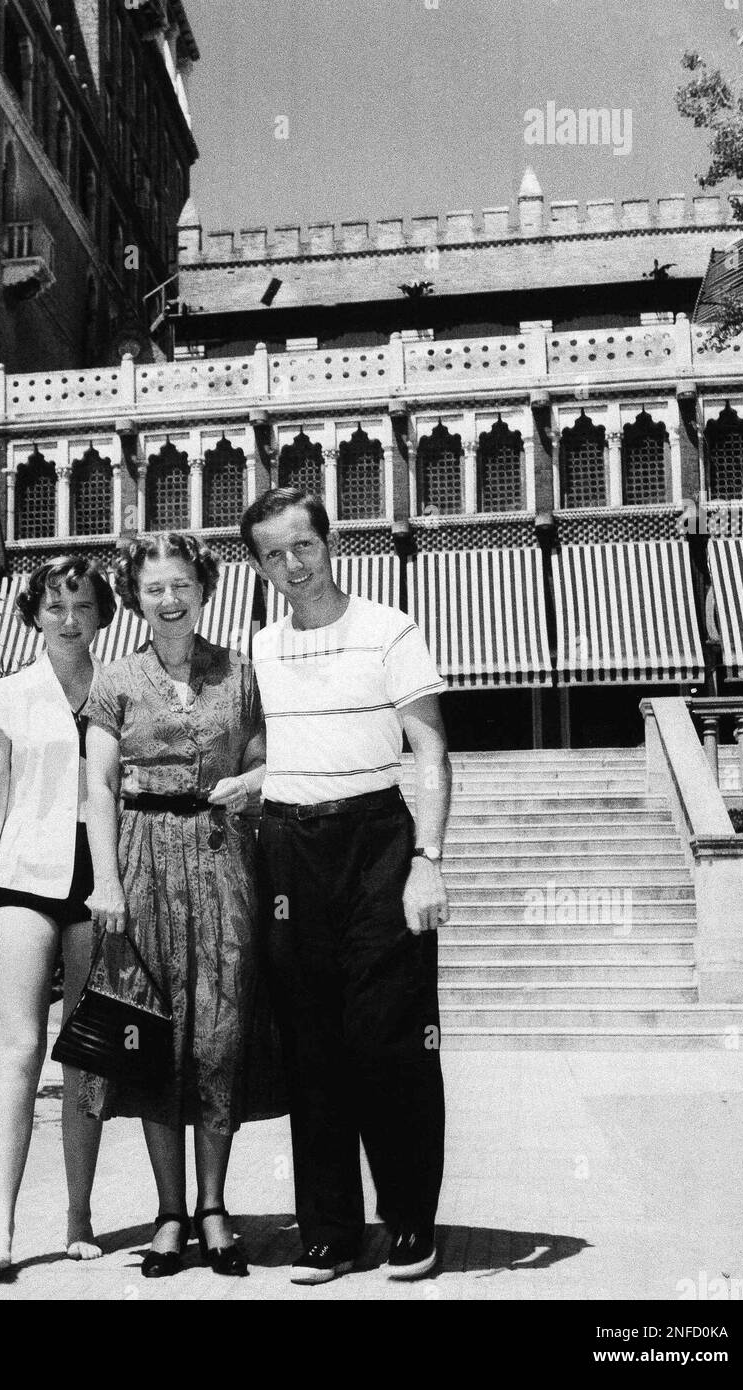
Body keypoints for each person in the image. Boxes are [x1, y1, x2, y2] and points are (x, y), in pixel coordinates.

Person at [242, 486, 451, 1285]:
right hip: (290, 846)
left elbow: (429, 751)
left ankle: (409, 1225)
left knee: (389, 1037)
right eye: (273, 554)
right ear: (258, 565)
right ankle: (328, 1231)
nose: (292, 565)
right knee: (311, 1044)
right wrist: (254, 781)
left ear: (330, 543)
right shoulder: (262, 648)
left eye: (303, 545)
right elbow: (288, 741)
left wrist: (427, 858)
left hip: (378, 841)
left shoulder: (389, 629)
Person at [82, 532, 278, 1279]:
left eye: (182, 585)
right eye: (154, 587)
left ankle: (214, 1206)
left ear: (204, 589)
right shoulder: (115, 680)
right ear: (134, 596)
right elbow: (98, 785)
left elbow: (265, 757)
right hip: (139, 860)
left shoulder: (242, 672)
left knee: (220, 1035)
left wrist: (248, 783)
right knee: (151, 1035)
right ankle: (169, 1213)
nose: (169, 599)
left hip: (224, 855)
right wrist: (105, 881)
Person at [0, 555, 116, 1274]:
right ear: (34, 613)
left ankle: (79, 1213)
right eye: (55, 605)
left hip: (98, 881)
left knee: (84, 1052)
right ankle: (0, 1228)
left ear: (101, 611)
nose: (69, 617)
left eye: (81, 604)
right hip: (22, 878)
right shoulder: (8, 692)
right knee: (20, 1049)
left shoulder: (119, 687)